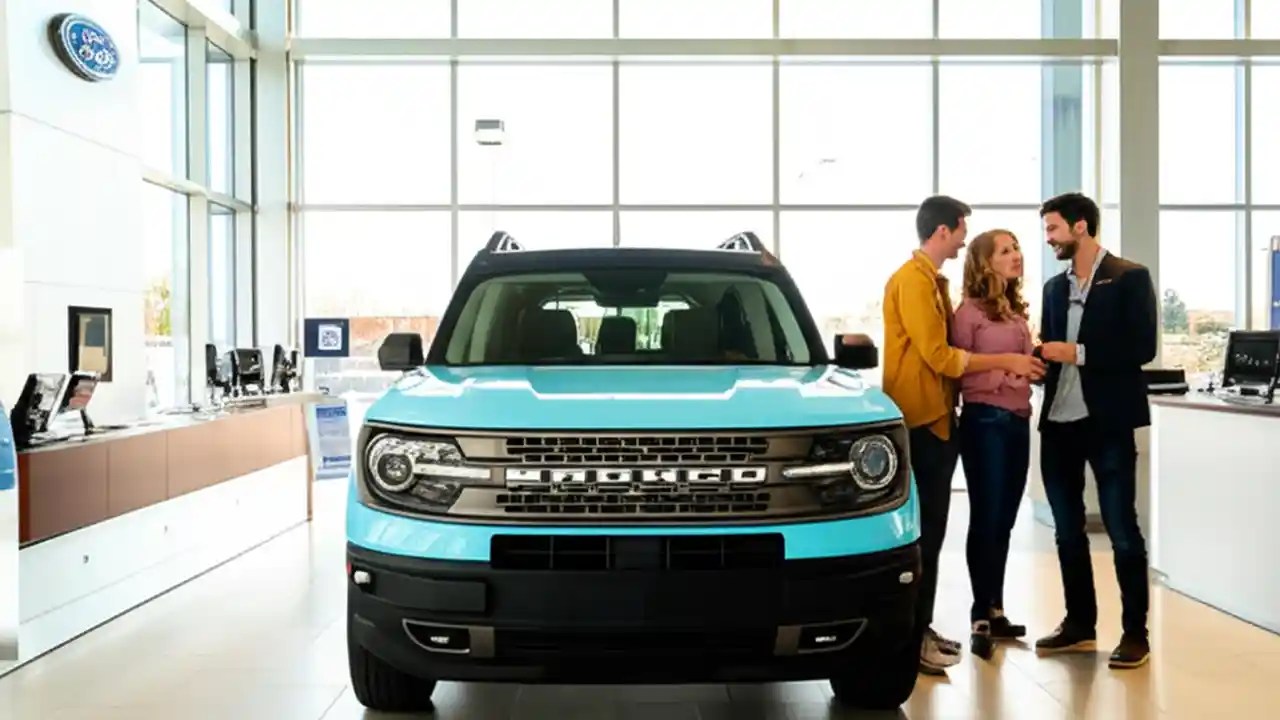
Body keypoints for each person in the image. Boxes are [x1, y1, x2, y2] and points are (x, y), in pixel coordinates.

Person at [881, 195, 1046, 675]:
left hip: (945, 418)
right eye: (962, 231)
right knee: (926, 534)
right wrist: (1007, 366)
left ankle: (924, 628)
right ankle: (914, 635)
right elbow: (941, 356)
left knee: (935, 532)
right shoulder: (915, 283)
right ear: (944, 232)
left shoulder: (934, 283)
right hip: (926, 419)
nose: (964, 238)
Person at [1033, 191, 1157, 669]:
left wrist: (1078, 353)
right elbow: (1051, 347)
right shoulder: (1052, 288)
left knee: (1122, 529)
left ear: (1080, 226)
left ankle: (1135, 634)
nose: (1049, 240)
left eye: (1053, 229)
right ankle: (1079, 624)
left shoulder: (1129, 277)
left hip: (1108, 423)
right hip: (1059, 423)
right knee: (1068, 532)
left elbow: (1141, 347)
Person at [951, 229, 1034, 660]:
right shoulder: (968, 313)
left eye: (1016, 247)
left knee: (1004, 518)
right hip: (985, 422)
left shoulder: (1015, 311)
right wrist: (1007, 372)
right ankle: (979, 612)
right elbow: (960, 372)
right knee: (985, 517)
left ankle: (996, 608)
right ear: (985, 263)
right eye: (1005, 250)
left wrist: (1029, 370)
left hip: (1018, 421)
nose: (1016, 255)